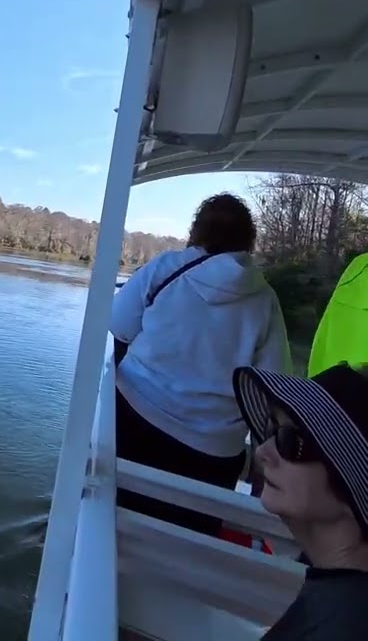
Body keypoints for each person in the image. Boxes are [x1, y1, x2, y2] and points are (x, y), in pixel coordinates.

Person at [111, 193, 291, 534]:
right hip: (213, 451)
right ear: (248, 239)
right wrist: (262, 463)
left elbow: (119, 324)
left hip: (135, 419)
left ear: (197, 230)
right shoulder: (264, 298)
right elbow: (273, 383)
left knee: (115, 524)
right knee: (187, 537)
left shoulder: (167, 268)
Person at [232, 363, 368, 640]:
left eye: (290, 441)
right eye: (272, 429)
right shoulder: (339, 596)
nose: (263, 451)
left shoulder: (343, 626)